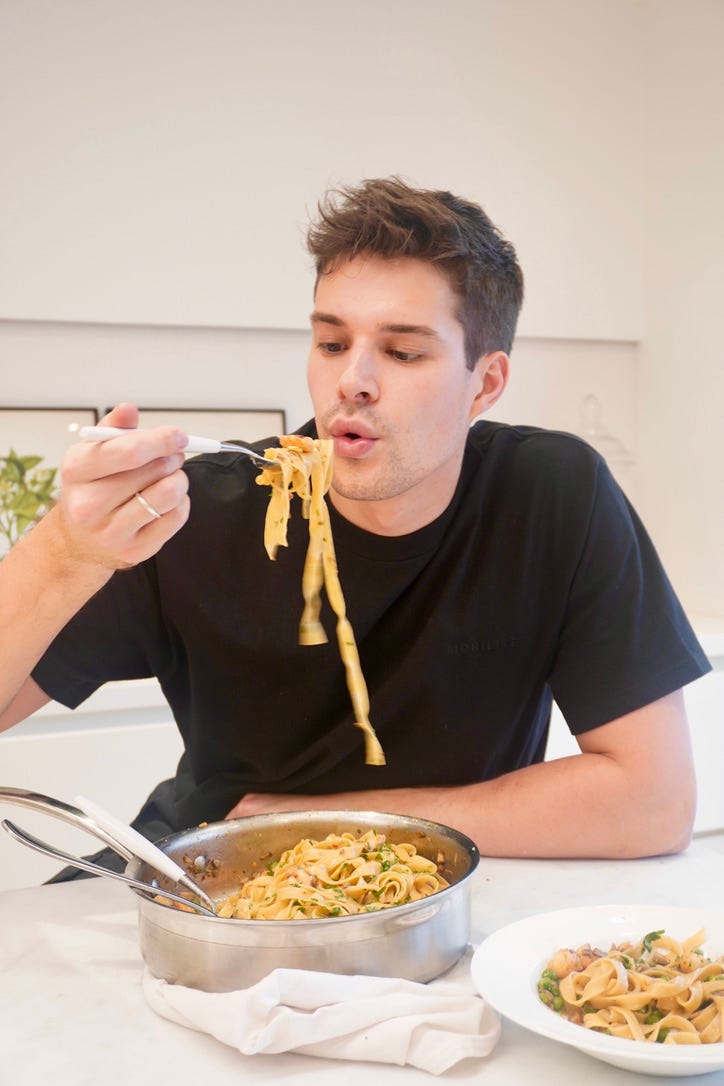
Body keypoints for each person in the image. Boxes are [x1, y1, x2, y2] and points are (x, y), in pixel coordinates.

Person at [0, 177, 710, 870]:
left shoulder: (551, 497)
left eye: (403, 352)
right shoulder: (200, 511)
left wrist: (317, 829)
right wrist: (66, 549)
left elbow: (654, 802)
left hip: (438, 884)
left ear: (485, 383)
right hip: (206, 877)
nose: (352, 382)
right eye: (333, 344)